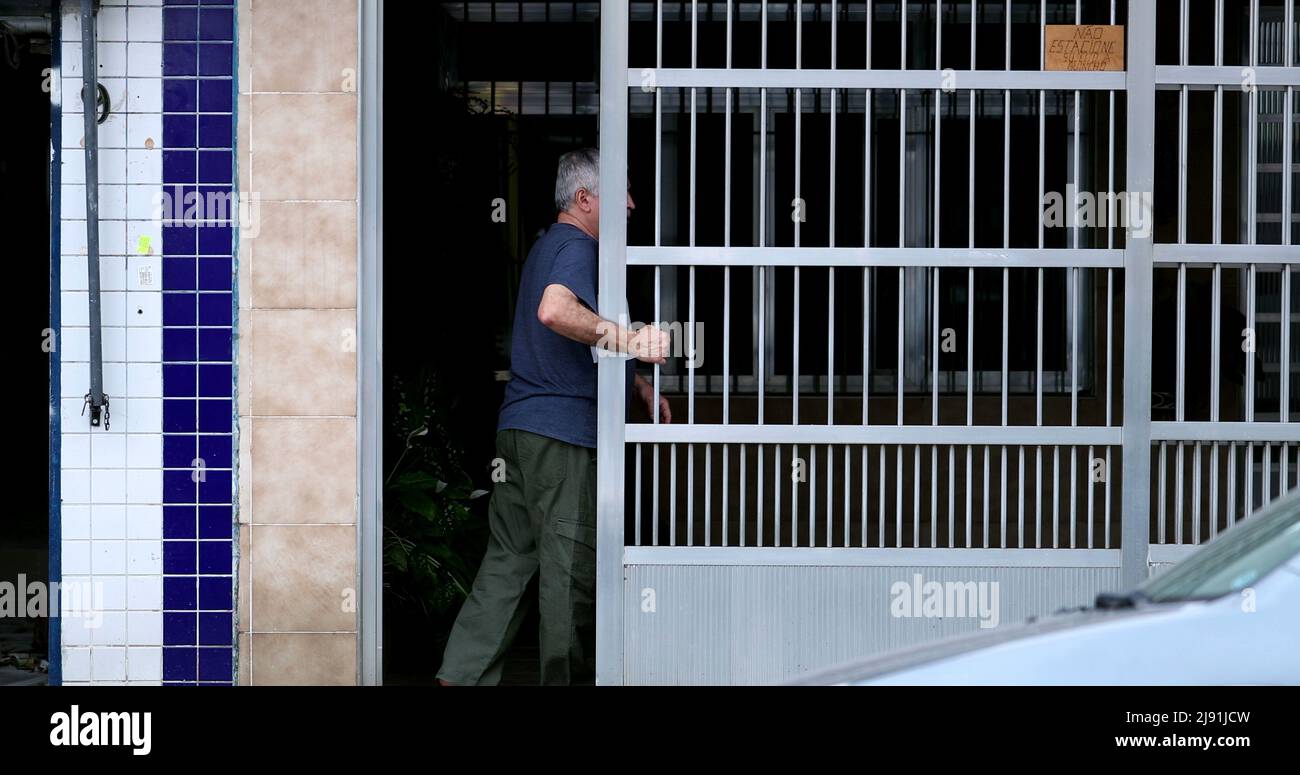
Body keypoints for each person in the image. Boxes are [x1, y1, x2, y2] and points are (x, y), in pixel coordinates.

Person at [435, 148, 671, 685]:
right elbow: (556, 311)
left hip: (520, 430)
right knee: (569, 572)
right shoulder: (576, 246)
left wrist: (631, 379)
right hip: (561, 439)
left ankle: (460, 675)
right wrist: (634, 339)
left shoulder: (545, 246)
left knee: (509, 562)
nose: (632, 206)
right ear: (584, 199)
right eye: (622, 194)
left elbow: (561, 339)